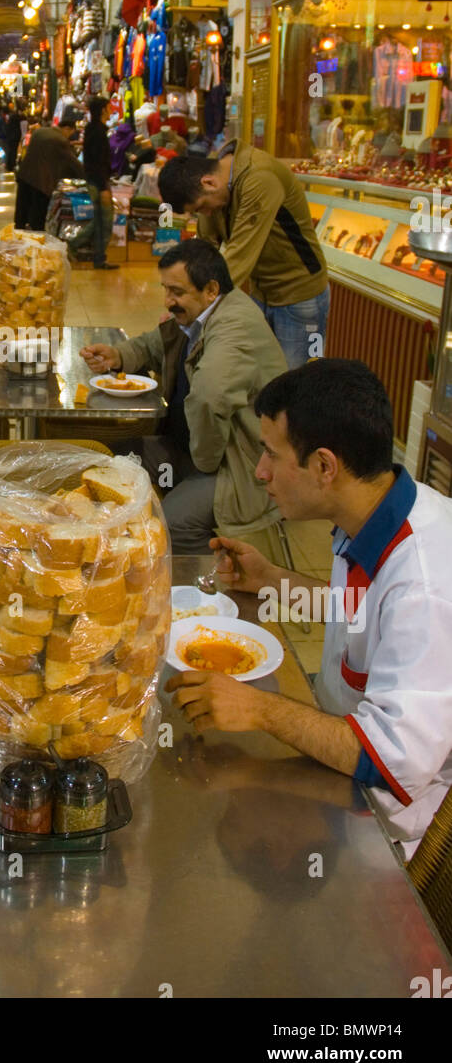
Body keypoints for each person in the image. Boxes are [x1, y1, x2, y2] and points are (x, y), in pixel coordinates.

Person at [167, 358, 452, 856]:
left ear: (324, 466)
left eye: (271, 456)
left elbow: (392, 761)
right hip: (335, 757)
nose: (260, 473)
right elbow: (360, 610)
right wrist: (273, 583)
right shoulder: (375, 512)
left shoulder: (426, 583)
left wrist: (257, 707)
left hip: (381, 830)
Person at [80, 239, 286, 552]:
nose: (167, 301)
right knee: (106, 463)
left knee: (171, 525)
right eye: (165, 289)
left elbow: (208, 398)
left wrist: (200, 462)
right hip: (188, 447)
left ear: (211, 289)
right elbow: (154, 343)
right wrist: (117, 355)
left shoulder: (235, 327)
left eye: (176, 292)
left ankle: (207, 589)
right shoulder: (197, 315)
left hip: (239, 467)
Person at [157, 138, 329, 368]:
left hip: (301, 295)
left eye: (201, 208)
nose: (205, 213)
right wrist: (179, 295)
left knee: (297, 381)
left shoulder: (260, 178)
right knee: (260, 374)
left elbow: (239, 256)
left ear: (208, 183)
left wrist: (194, 299)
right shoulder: (219, 182)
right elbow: (205, 248)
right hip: (261, 291)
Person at [67, 96, 119, 270]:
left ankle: (94, 256)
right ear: (103, 110)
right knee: (104, 221)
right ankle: (78, 248)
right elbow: (97, 161)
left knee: (98, 221)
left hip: (95, 180)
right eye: (108, 106)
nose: (111, 109)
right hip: (98, 182)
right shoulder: (97, 131)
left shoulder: (93, 129)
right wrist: (103, 186)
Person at [14, 107, 84, 231]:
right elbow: (73, 163)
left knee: (22, 213)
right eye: (71, 133)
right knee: (37, 219)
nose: (69, 137)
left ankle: (19, 238)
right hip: (41, 182)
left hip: (24, 175)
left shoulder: (40, 132)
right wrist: (87, 176)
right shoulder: (60, 140)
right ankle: (35, 244)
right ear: (67, 129)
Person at [4, 105, 22, 174]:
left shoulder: (10, 123)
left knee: (10, 151)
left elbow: (7, 130)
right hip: (15, 138)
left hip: (10, 138)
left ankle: (9, 165)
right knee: (14, 151)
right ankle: (12, 164)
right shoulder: (17, 124)